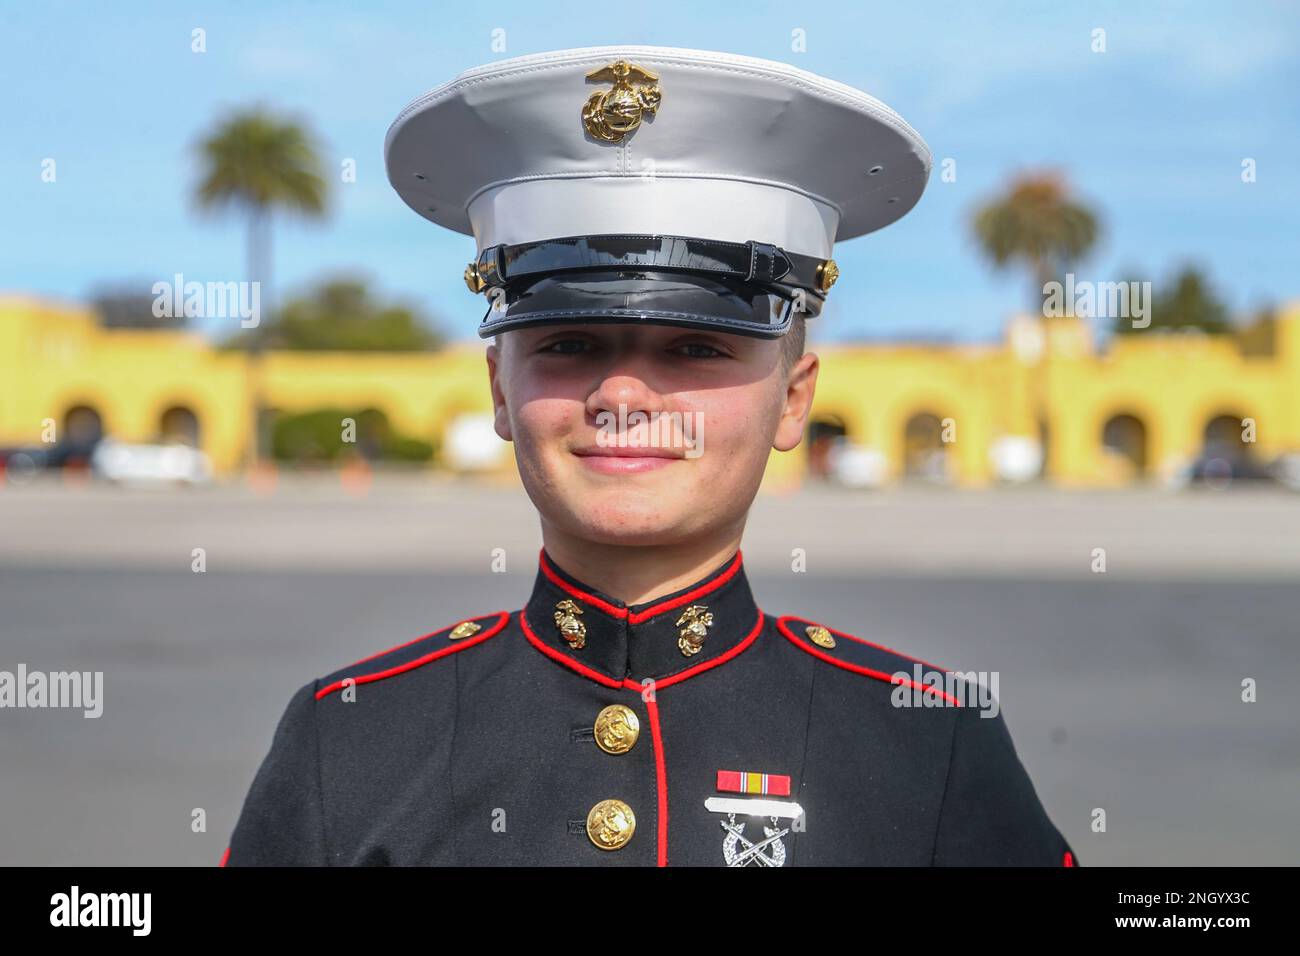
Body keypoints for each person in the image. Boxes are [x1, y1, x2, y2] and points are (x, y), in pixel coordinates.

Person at [222, 45, 1076, 867]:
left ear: (794, 398)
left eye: (697, 349)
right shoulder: (351, 740)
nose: (624, 397)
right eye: (569, 342)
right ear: (497, 391)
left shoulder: (928, 745)